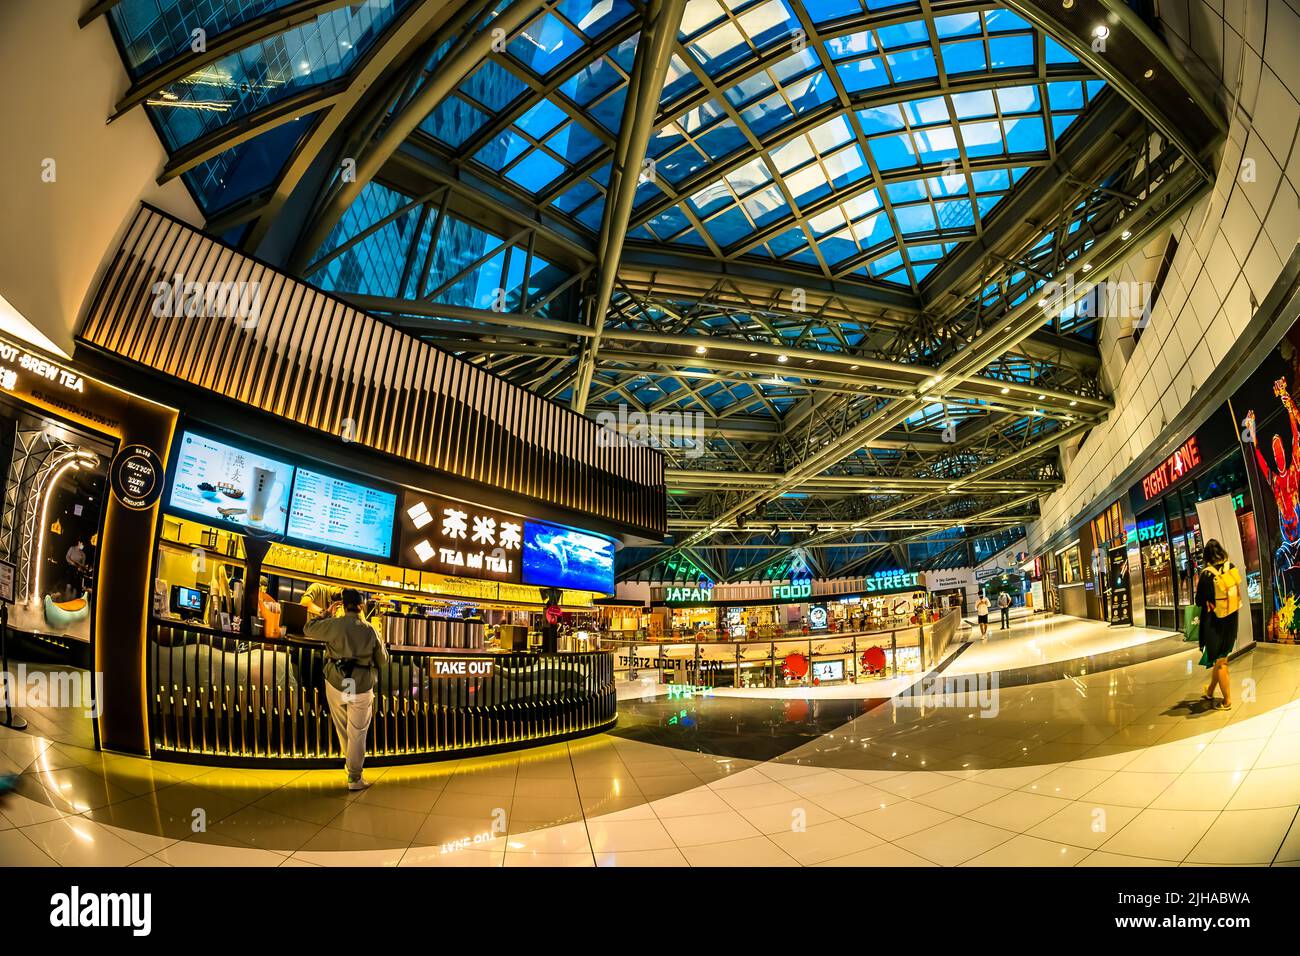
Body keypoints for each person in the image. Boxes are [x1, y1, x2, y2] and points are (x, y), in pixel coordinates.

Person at [307, 588, 389, 789]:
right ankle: (354, 776)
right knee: (358, 731)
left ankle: (349, 765)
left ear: (342, 605)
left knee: (342, 726)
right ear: (361, 606)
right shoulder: (370, 630)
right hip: (360, 684)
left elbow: (308, 629)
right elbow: (382, 660)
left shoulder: (333, 625)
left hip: (337, 680)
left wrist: (326, 612)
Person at [1196, 539, 1242, 710]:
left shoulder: (1207, 574)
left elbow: (1199, 600)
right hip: (1231, 618)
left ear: (1206, 556)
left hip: (1214, 623)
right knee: (1221, 658)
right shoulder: (1231, 567)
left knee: (1221, 661)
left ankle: (1227, 701)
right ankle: (1210, 690)